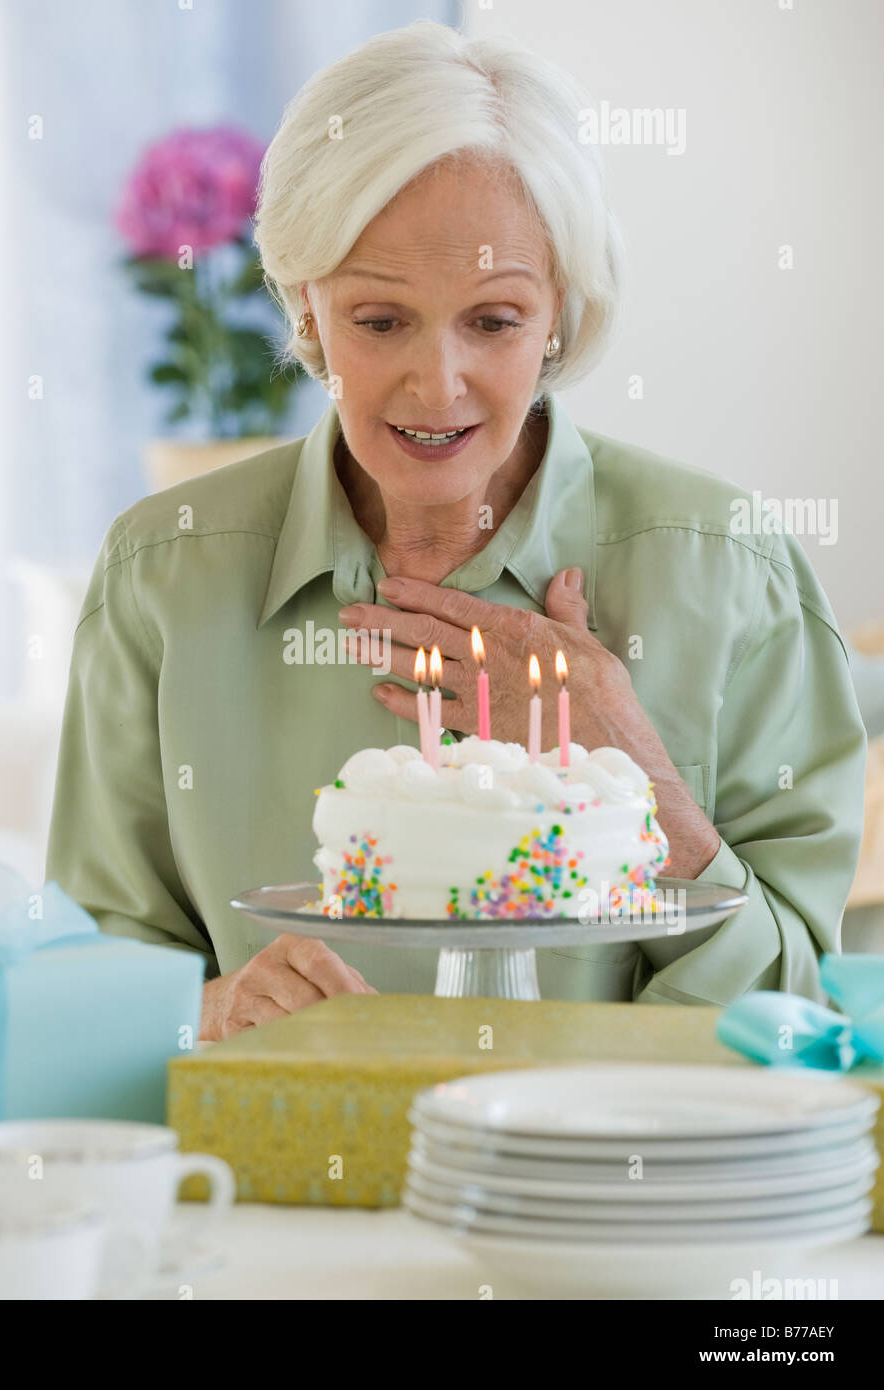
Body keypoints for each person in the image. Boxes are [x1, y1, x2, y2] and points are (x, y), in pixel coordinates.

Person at [46, 20, 866, 1039]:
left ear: (560, 311)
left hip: (610, 1192)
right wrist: (202, 1011)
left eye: (494, 320)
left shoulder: (729, 573)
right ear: (306, 307)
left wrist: (634, 775)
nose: (435, 386)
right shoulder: (161, 574)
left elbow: (805, 1023)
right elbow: (81, 1000)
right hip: (273, 1188)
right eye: (379, 321)